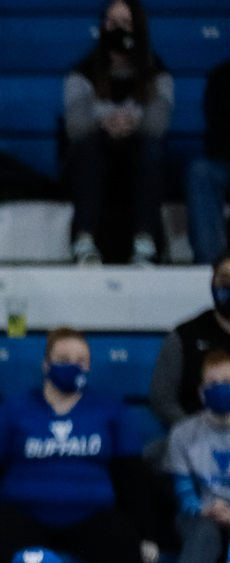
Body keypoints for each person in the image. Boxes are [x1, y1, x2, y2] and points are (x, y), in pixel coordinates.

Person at [0, 328, 158, 563]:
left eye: (81, 359)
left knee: (122, 546)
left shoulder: (109, 410)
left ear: (89, 365)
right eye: (63, 358)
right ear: (46, 364)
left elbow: (130, 477)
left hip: (89, 518)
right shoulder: (15, 409)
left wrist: (147, 535)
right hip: (23, 516)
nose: (73, 365)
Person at [65, 0, 173, 267]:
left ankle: (146, 244)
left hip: (137, 160)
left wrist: (131, 124)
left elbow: (158, 125)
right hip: (96, 158)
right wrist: (105, 122)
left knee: (151, 149)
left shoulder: (157, 75)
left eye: (125, 24)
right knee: (88, 147)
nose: (117, 30)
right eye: (111, 23)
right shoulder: (82, 74)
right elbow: (75, 126)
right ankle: (84, 242)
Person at [159, 350, 230, 563]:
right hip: (199, 515)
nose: (220, 388)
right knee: (204, 530)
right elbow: (184, 492)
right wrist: (205, 509)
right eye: (213, 382)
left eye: (227, 381)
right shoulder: (183, 433)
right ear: (201, 391)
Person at [151, 254, 230, 432]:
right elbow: (162, 399)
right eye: (225, 279)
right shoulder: (184, 336)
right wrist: (196, 434)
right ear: (213, 282)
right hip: (193, 442)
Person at [186, 60, 229, 265]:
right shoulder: (221, 77)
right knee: (201, 171)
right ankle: (211, 263)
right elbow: (215, 136)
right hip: (226, 161)